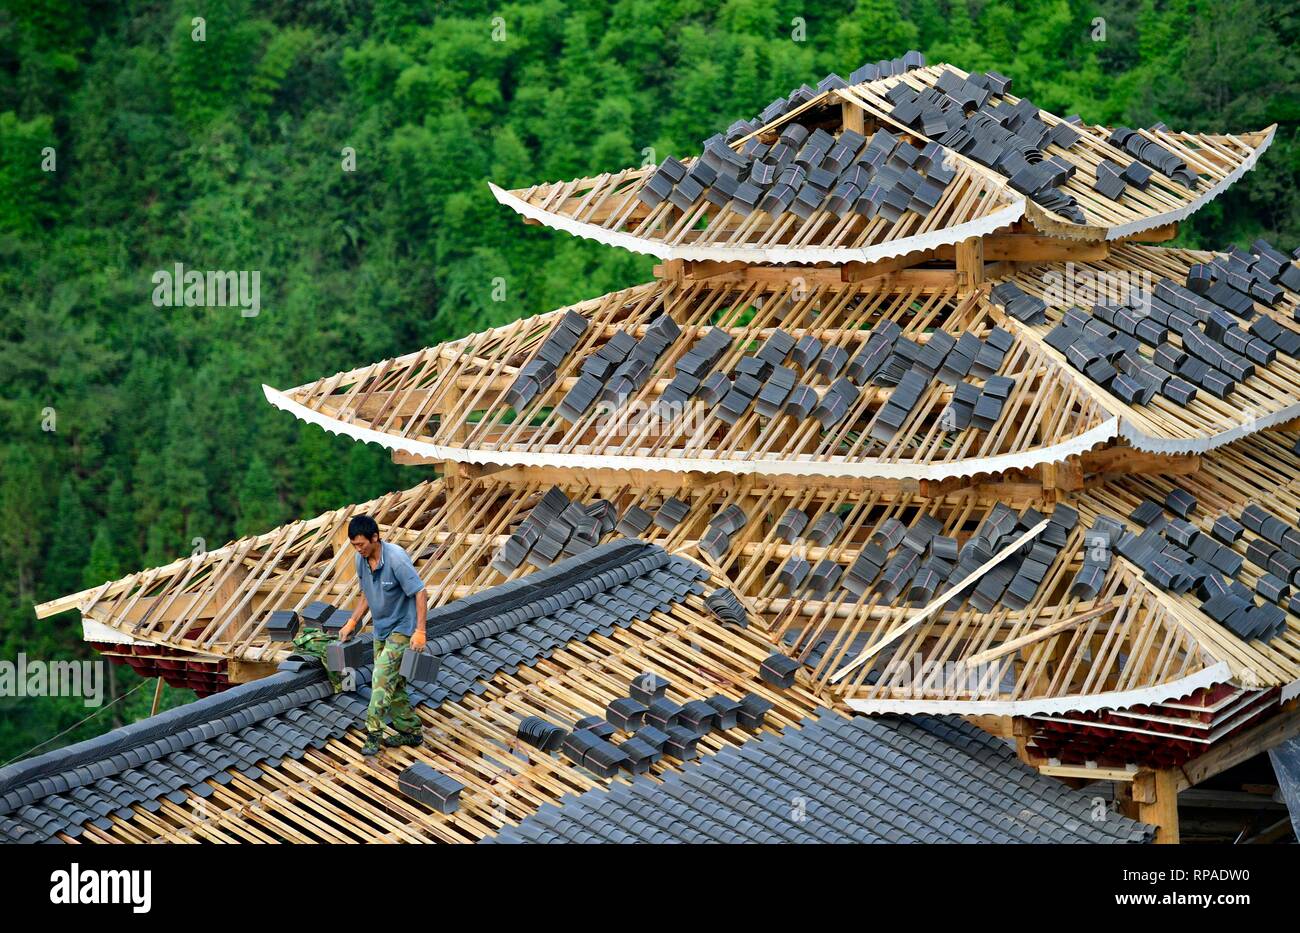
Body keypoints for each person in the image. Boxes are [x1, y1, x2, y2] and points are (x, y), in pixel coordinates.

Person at [337, 513, 427, 756]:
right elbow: (366, 592)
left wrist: (420, 631)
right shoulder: (361, 560)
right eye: (354, 545)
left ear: (375, 537)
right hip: (381, 629)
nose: (358, 549)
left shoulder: (396, 559)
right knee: (393, 683)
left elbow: (420, 593)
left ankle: (373, 733)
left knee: (379, 677)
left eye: (361, 544)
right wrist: (352, 621)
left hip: (403, 629)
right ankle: (411, 731)